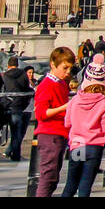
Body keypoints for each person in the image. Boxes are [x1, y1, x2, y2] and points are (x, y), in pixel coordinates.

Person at [59, 54, 105, 197]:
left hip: (78, 144)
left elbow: (67, 123)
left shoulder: (75, 100)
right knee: (85, 187)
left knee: (71, 184)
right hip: (94, 146)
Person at [34, 46, 76, 197]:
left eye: (70, 68)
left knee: (53, 178)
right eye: (65, 68)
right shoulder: (46, 85)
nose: (68, 72)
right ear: (53, 64)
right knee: (48, 177)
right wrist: (64, 107)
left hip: (59, 133)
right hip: (49, 134)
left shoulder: (62, 84)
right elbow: (41, 113)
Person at [1, 57, 32, 162]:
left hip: (8, 106)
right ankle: (16, 154)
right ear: (17, 64)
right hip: (19, 106)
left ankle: (8, 151)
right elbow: (26, 89)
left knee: (6, 130)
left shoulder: (5, 76)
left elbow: (3, 90)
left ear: (8, 65)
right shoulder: (23, 74)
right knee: (17, 132)